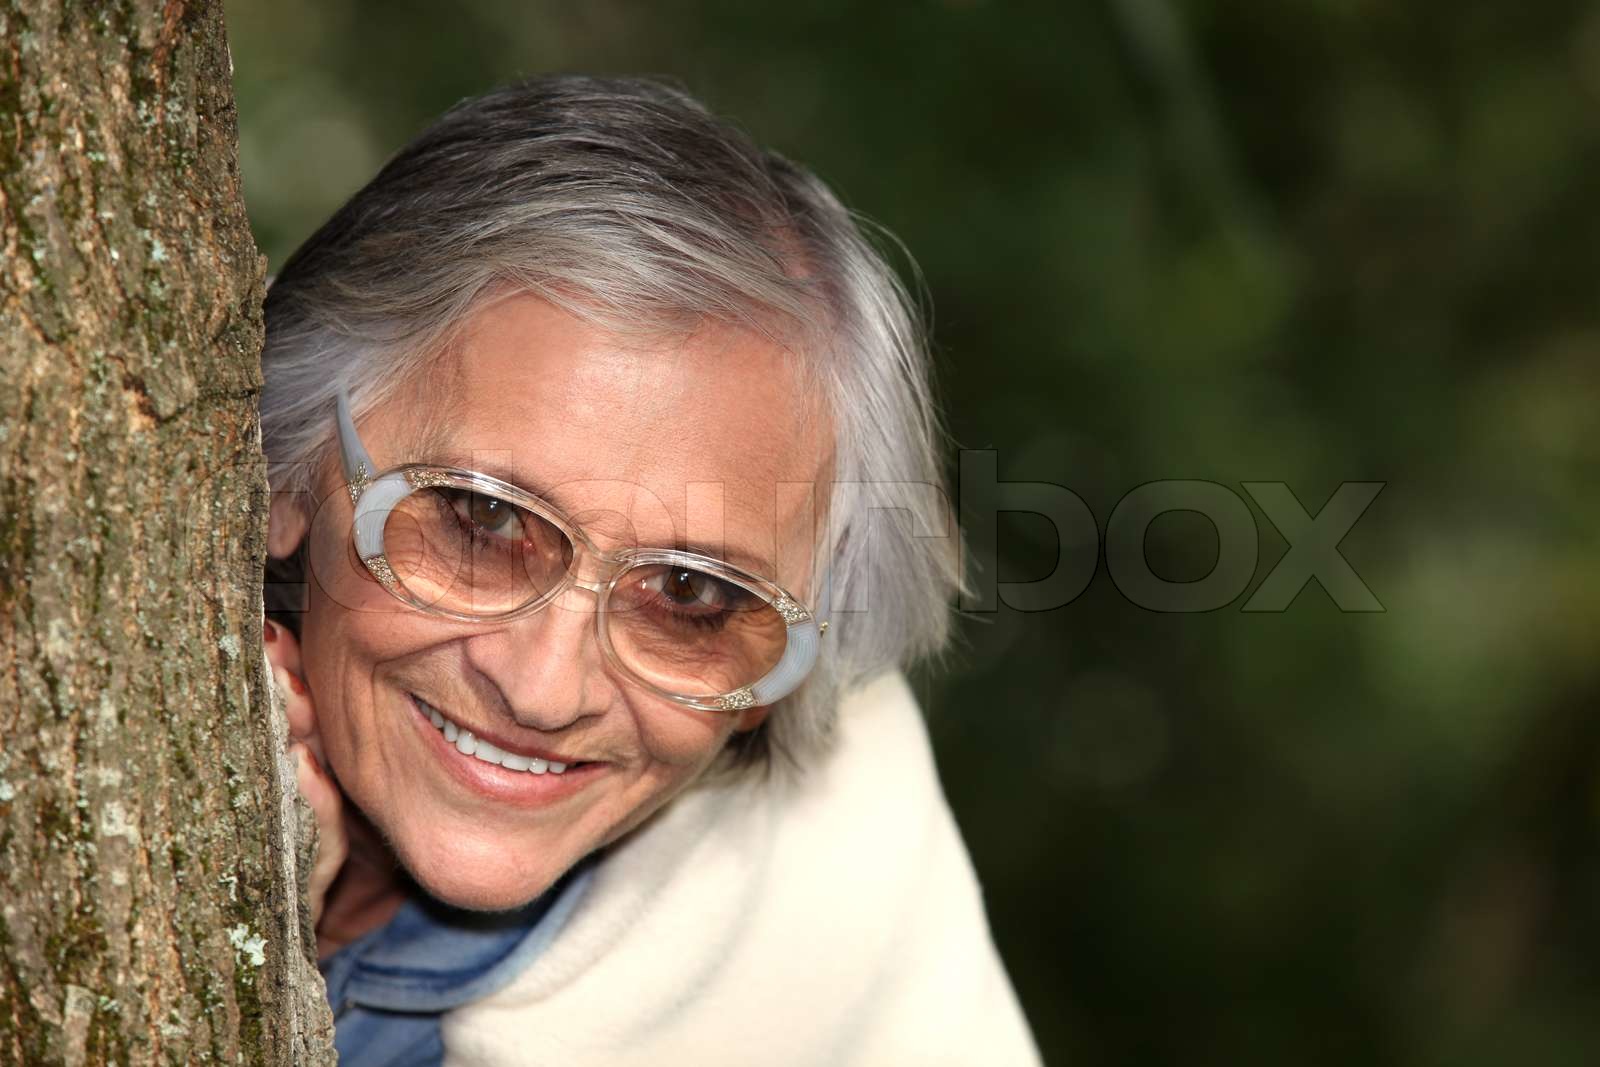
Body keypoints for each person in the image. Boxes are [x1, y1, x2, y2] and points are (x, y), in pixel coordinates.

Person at [259, 74, 1040, 1066]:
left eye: (691, 596)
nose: (544, 689)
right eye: (481, 519)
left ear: (780, 679)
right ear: (284, 473)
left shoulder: (829, 947)